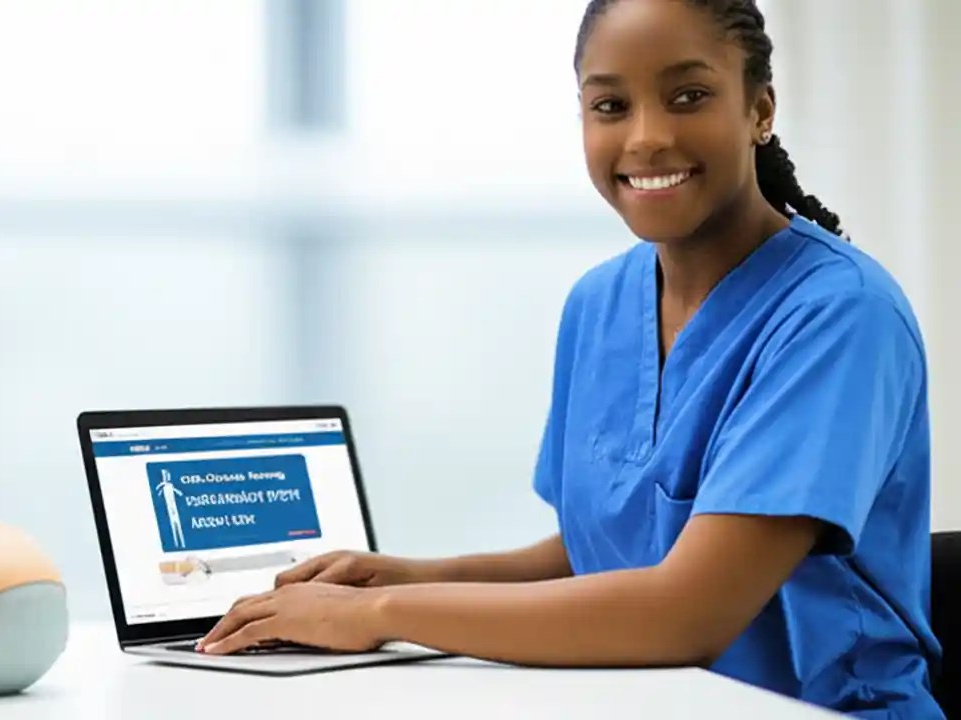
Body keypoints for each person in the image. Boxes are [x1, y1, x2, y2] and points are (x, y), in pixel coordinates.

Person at [197, 1, 943, 716]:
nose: (646, 137)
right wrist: (408, 574)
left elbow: (684, 613)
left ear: (760, 110)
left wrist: (381, 614)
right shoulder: (599, 304)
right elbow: (608, 552)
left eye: (688, 95)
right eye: (610, 106)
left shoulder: (839, 316)